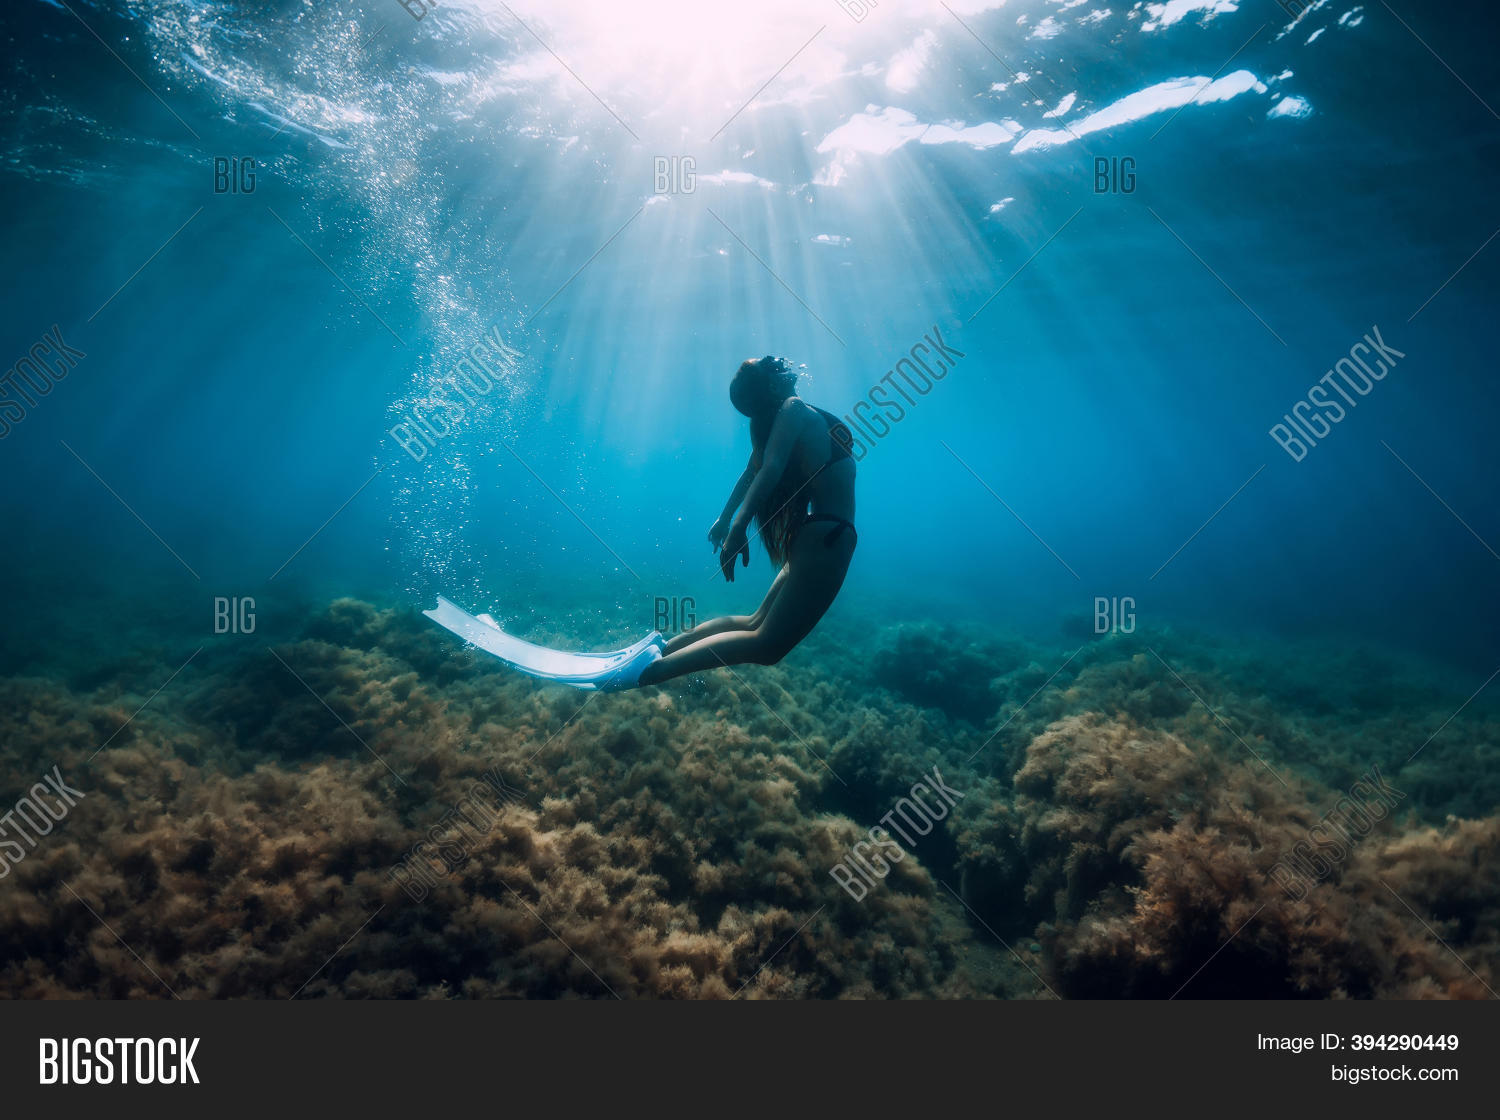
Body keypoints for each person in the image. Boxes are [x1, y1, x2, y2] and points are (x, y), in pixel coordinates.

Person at [615, 356, 857, 689]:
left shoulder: (783, 417)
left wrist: (726, 519)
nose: (780, 360)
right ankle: (649, 672)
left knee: (754, 622)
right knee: (767, 644)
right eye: (771, 362)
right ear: (772, 384)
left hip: (816, 535)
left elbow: (751, 472)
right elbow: (768, 470)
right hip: (829, 536)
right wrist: (736, 527)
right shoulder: (794, 408)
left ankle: (661, 650)